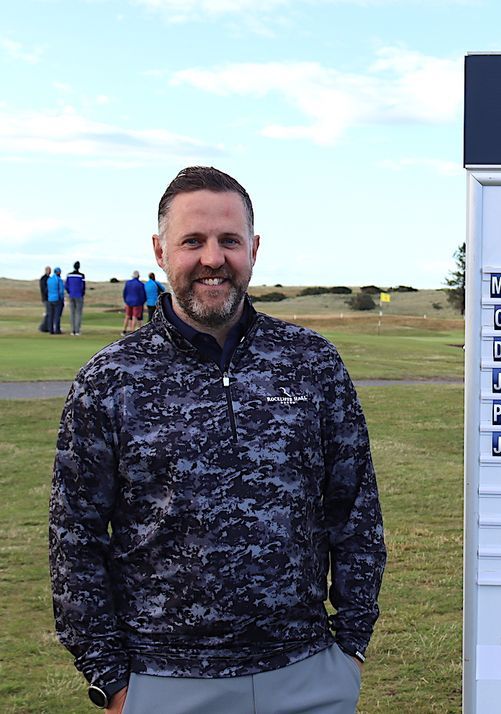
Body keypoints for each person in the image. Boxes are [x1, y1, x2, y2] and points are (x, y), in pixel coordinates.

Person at [50, 166, 385, 714]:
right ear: (160, 251)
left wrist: (350, 650)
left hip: (307, 674)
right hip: (164, 682)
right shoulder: (109, 379)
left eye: (229, 240)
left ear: (253, 249)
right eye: (192, 241)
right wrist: (111, 682)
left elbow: (355, 513)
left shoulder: (311, 363)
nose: (213, 258)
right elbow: (76, 538)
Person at [121, 270, 146, 334]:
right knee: (134, 316)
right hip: (137, 302)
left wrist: (125, 300)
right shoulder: (141, 284)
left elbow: (124, 293)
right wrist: (142, 302)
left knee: (127, 316)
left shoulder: (128, 283)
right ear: (138, 276)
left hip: (128, 301)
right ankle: (132, 331)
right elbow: (143, 295)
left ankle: (124, 330)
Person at [65, 261, 86, 336]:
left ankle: (72, 330)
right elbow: (83, 286)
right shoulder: (81, 275)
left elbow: (66, 285)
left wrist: (69, 292)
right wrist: (82, 293)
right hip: (79, 295)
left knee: (72, 313)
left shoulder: (69, 275)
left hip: (71, 295)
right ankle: (77, 331)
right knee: (78, 313)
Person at [46, 266, 65, 334]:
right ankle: (57, 329)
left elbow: (48, 289)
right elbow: (61, 291)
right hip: (57, 299)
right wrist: (62, 299)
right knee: (57, 315)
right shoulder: (59, 280)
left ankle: (51, 330)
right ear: (58, 272)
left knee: (51, 315)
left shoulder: (49, 279)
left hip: (50, 299)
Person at [39, 265, 51, 332]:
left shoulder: (49, 278)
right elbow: (44, 289)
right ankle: (43, 327)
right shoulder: (43, 278)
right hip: (46, 298)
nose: (49, 271)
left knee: (48, 312)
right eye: (48, 270)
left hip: (49, 298)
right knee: (48, 313)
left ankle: (46, 326)